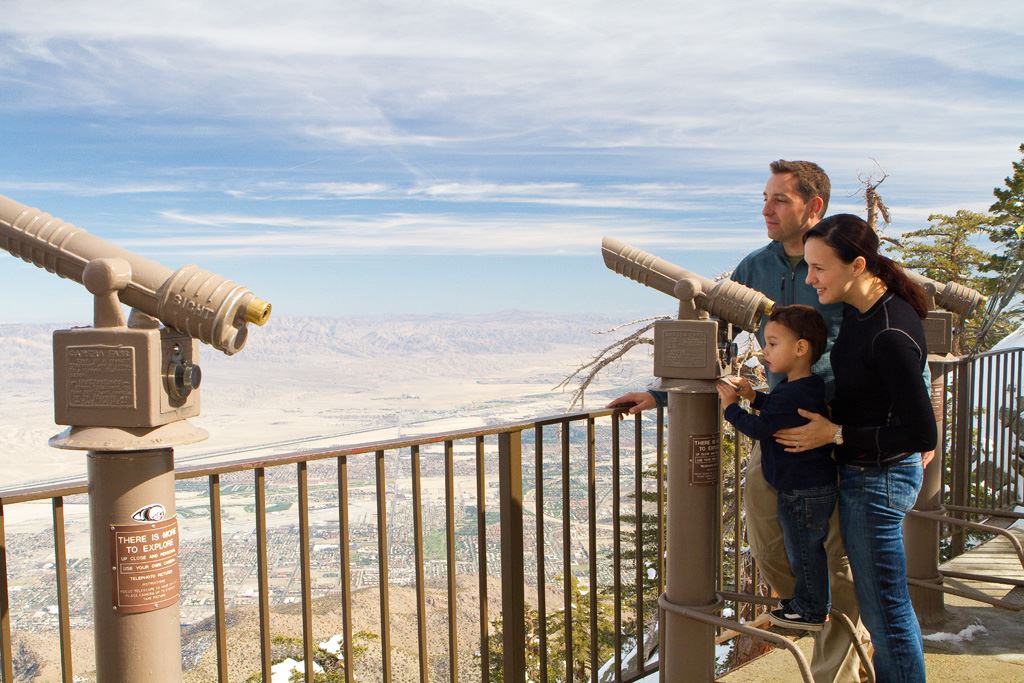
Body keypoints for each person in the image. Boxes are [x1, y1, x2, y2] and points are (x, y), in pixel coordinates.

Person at [608, 160, 869, 683]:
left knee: (834, 554)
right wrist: (662, 396)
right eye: (765, 197)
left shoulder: (843, 266)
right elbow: (716, 345)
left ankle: (833, 668)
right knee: (768, 533)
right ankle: (827, 617)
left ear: (813, 206)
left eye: (779, 199)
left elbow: (881, 343)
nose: (765, 209)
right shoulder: (755, 267)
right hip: (778, 428)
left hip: (838, 428)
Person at [774, 214, 937, 682]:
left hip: (879, 481)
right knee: (882, 607)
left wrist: (836, 434)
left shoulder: (889, 333)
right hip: (869, 473)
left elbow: (921, 433)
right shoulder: (865, 310)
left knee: (886, 613)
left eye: (819, 268)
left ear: (858, 264)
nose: (809, 278)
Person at [717, 305, 837, 632]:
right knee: (804, 548)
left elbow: (760, 429)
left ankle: (810, 609)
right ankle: (807, 603)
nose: (764, 351)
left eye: (772, 344)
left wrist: (731, 408)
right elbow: (778, 411)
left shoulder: (791, 390)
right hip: (810, 485)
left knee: (803, 550)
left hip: (800, 491)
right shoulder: (803, 385)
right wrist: (754, 397)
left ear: (800, 348)